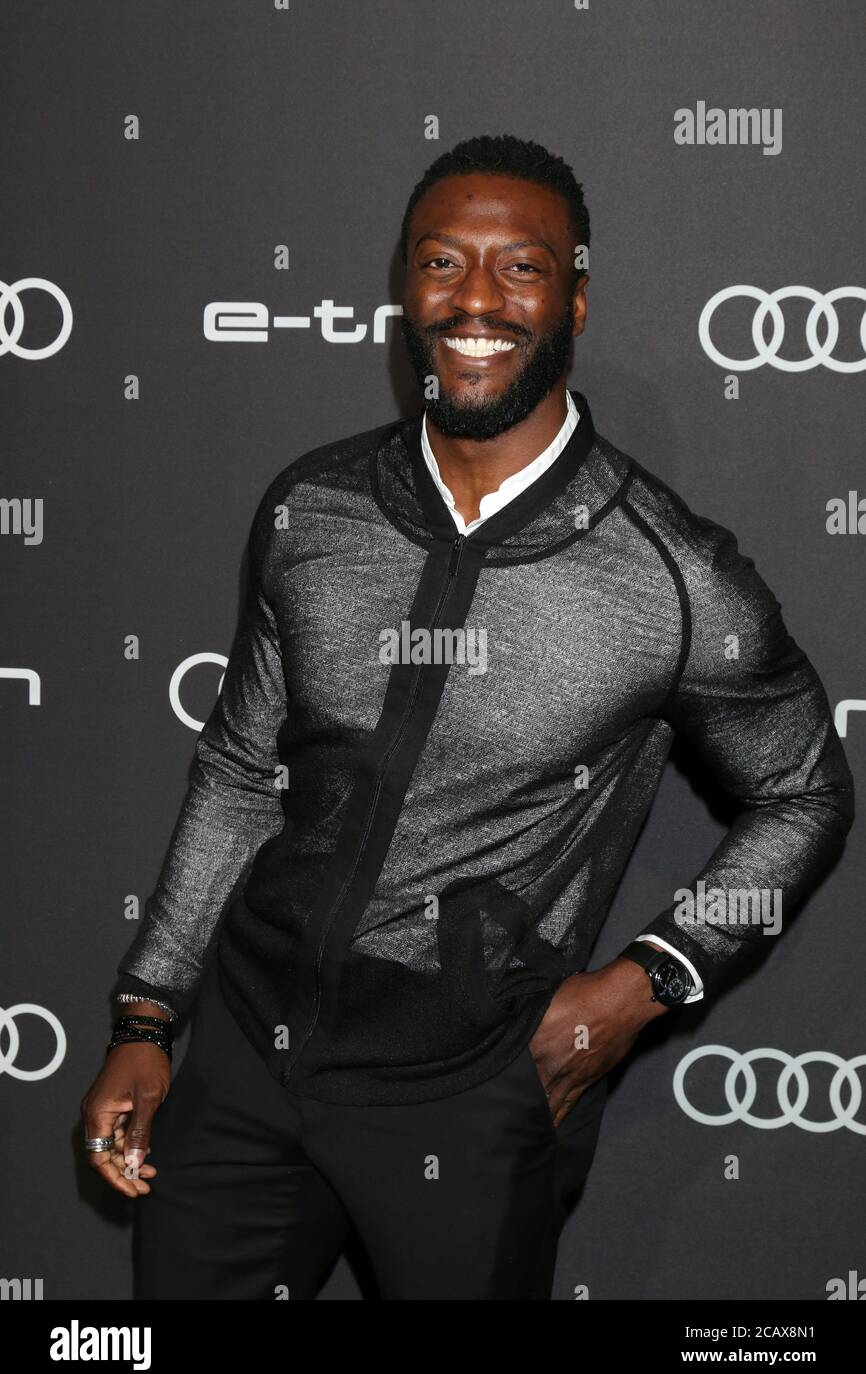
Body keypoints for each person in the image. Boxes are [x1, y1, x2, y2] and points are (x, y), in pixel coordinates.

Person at [80, 133, 855, 1300]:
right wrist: (148, 1014)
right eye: (441, 263)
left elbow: (803, 792)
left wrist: (640, 986)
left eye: (521, 268)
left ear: (576, 297)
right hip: (245, 1057)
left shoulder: (672, 576)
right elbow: (243, 771)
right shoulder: (313, 508)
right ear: (404, 288)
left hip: (471, 1092)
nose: (475, 300)